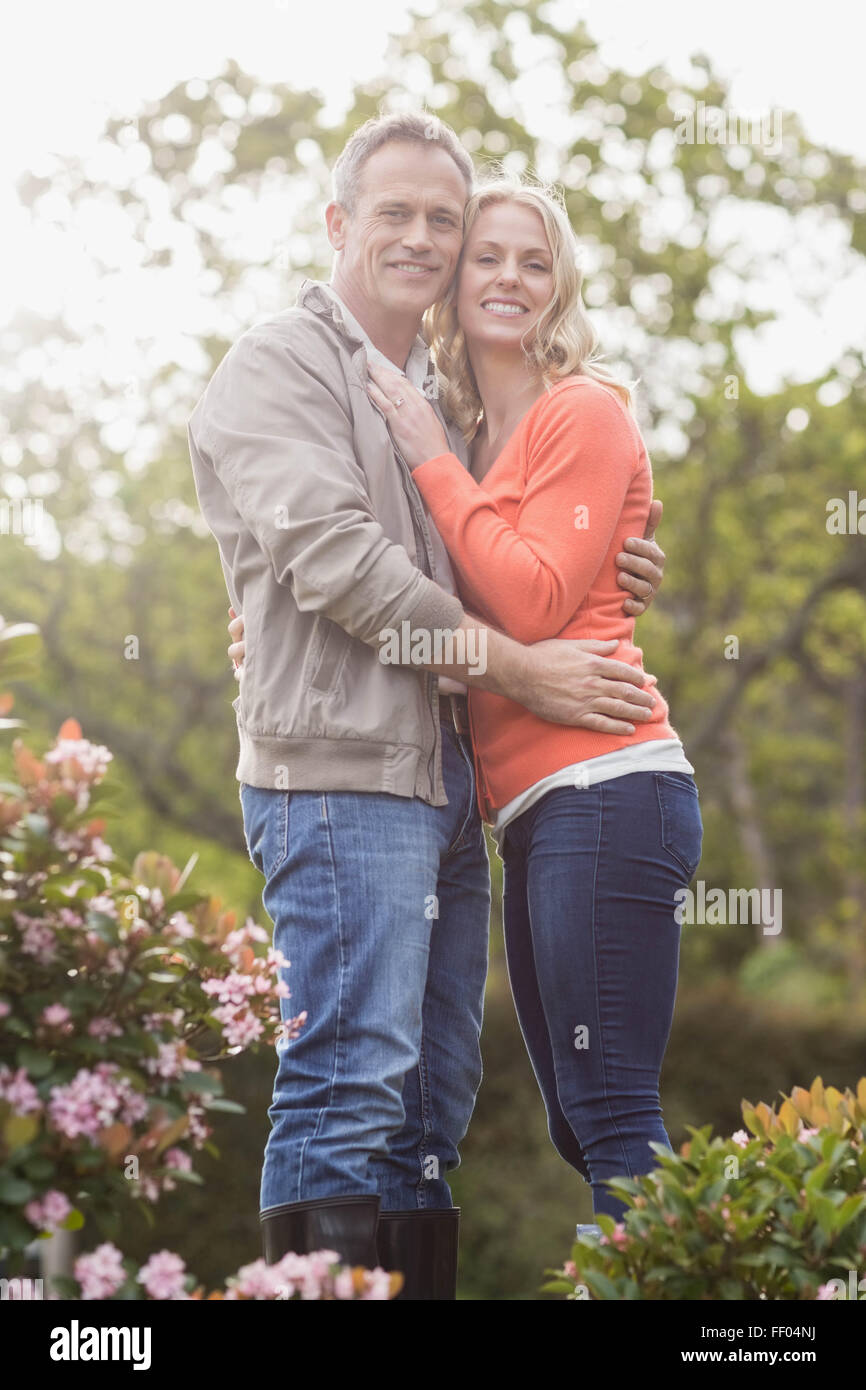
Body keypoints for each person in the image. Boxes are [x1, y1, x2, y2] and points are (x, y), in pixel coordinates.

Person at [189, 112, 666, 1299]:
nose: (420, 237)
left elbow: (502, 555)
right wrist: (518, 667)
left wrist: (616, 560)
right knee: (348, 1080)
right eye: (392, 212)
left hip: (450, 791)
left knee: (425, 1108)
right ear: (340, 222)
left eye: (440, 221)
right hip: (343, 778)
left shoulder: (436, 395)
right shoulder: (277, 364)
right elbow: (340, 563)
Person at [364, 175, 703, 1237]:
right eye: (488, 256)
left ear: (558, 289)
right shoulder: (470, 441)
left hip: (607, 786)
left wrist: (423, 451)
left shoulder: (581, 412)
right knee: (577, 1120)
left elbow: (531, 598)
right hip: (536, 811)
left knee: (609, 1113)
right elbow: (455, 622)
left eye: (533, 260)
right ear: (453, 279)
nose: (507, 276)